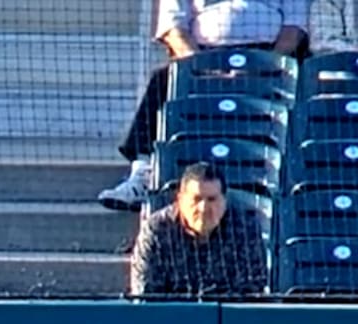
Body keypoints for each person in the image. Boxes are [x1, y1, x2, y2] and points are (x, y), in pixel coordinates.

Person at [98, 0, 310, 210]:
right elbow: (174, 29)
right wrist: (202, 66)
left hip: (268, 57)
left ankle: (299, 179)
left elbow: (294, 28)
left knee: (304, 83)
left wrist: (264, 64)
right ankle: (144, 175)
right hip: (202, 54)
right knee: (162, 81)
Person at [130, 162, 269, 295]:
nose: (203, 208)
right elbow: (146, 294)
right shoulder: (157, 230)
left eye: (212, 199)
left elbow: (252, 292)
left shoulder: (244, 230)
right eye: (196, 199)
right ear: (180, 199)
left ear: (224, 201)